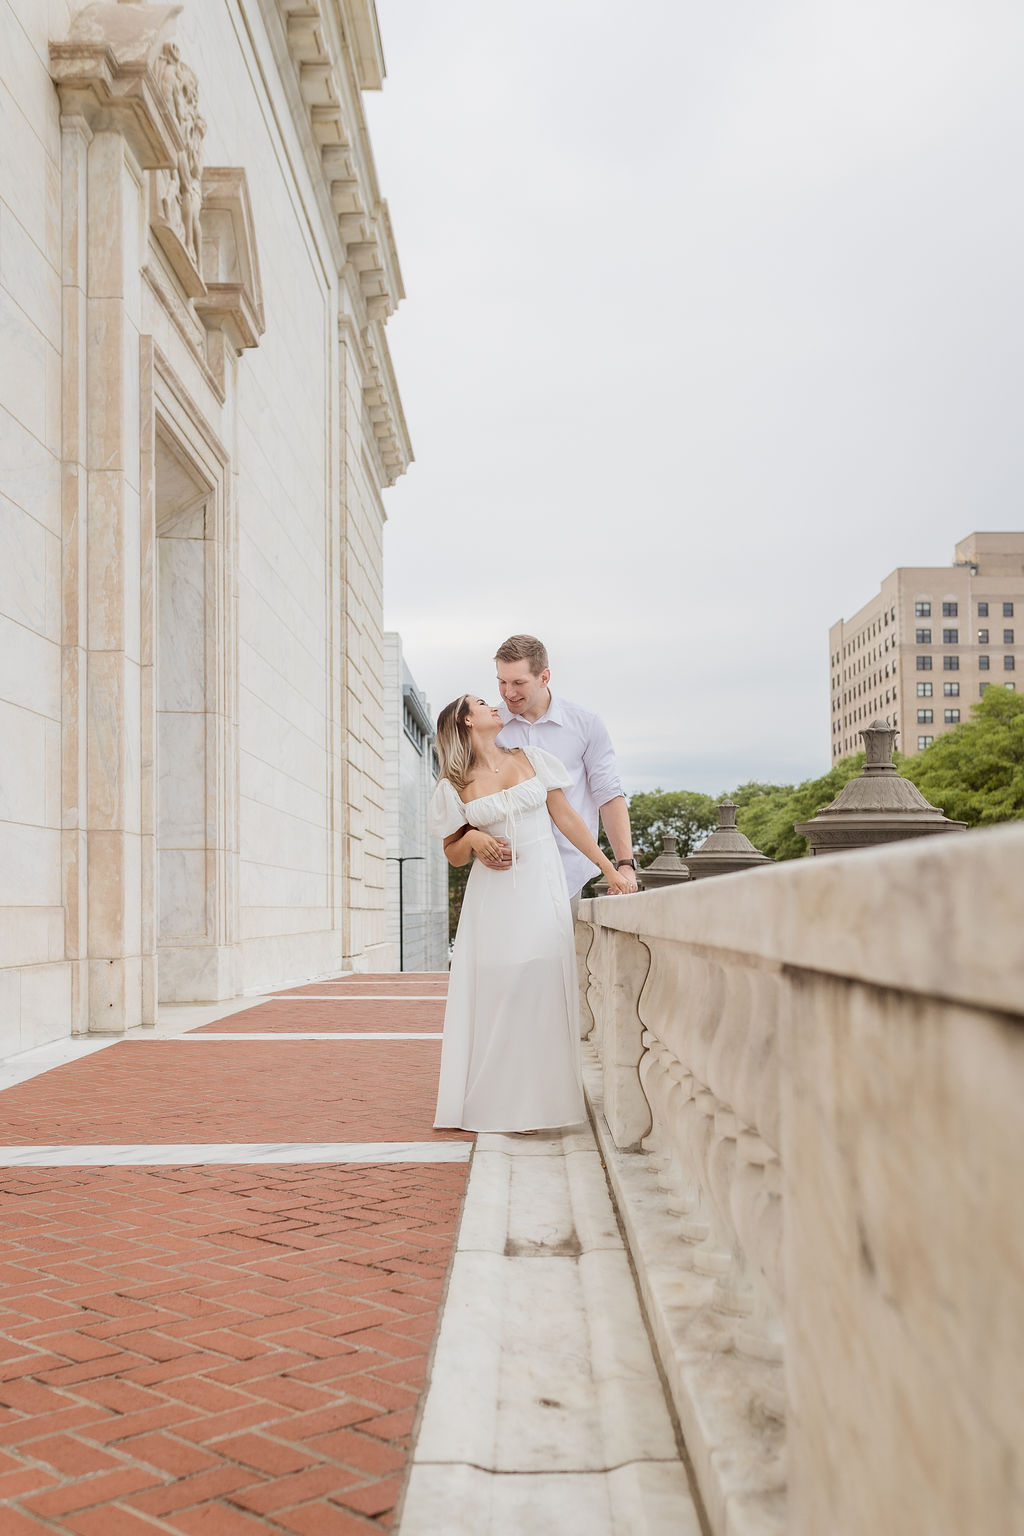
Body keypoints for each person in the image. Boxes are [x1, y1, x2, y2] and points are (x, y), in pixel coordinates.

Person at [430, 695, 632, 1132]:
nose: (495, 703)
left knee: (539, 981)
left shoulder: (532, 758)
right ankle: (500, 1101)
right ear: (467, 720)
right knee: (502, 986)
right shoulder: (453, 783)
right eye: (483, 702)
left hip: (542, 888)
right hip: (493, 897)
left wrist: (610, 868)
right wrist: (476, 842)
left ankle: (540, 1103)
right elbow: (453, 852)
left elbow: (568, 819)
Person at [445, 635, 639, 900]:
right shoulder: (488, 727)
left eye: (518, 683)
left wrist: (624, 865)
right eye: (502, 682)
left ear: (544, 677)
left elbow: (608, 794)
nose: (508, 692)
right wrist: (473, 839)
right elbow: (468, 806)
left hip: (571, 871)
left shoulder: (586, 723)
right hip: (508, 878)